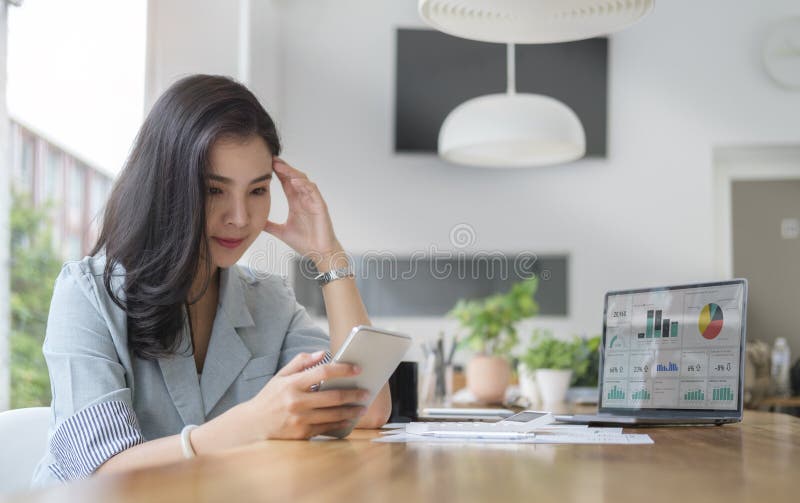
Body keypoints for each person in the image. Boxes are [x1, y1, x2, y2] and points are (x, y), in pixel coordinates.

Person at [31, 74, 390, 487]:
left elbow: (369, 406)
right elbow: (100, 471)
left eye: (257, 191)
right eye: (214, 190)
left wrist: (329, 258)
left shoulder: (268, 299)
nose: (239, 216)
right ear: (167, 188)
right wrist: (252, 422)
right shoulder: (87, 295)